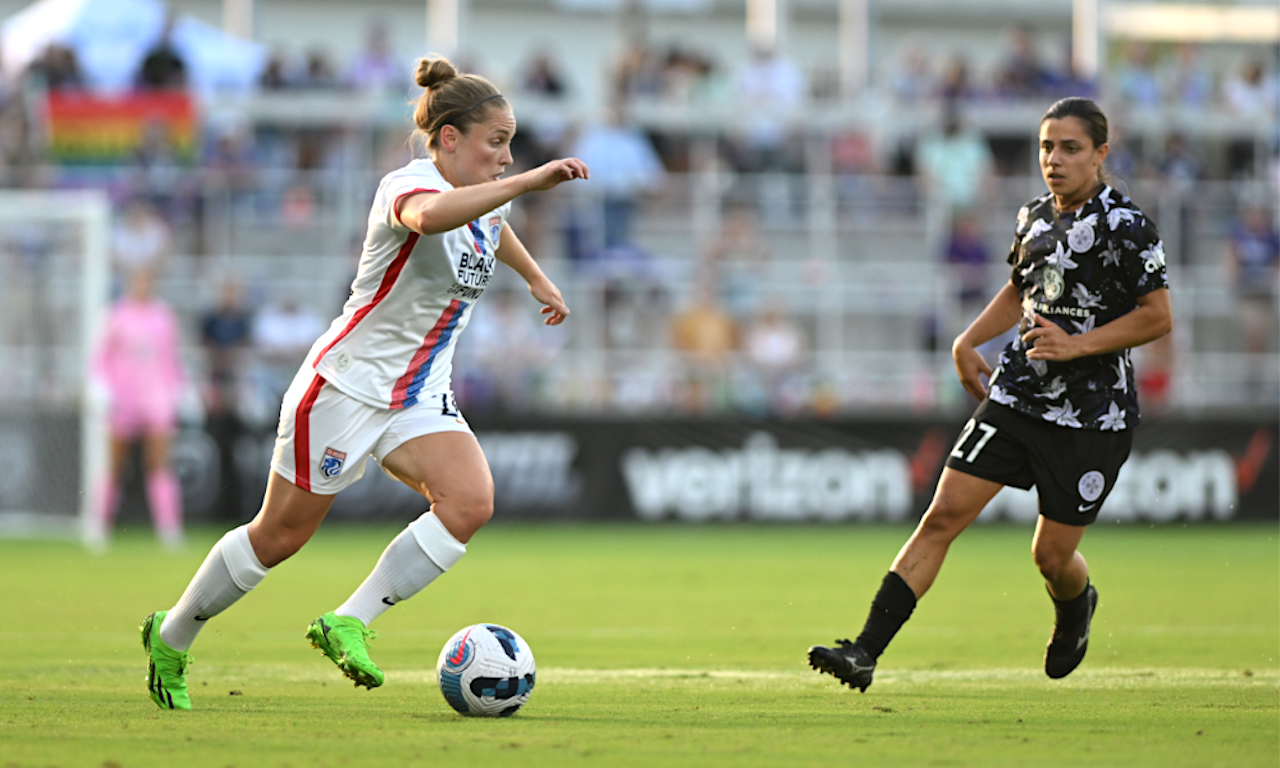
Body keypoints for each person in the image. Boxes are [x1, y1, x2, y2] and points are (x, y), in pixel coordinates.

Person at [139, 54, 589, 710]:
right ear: (448, 139)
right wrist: (526, 183)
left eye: (512, 145)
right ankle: (172, 634)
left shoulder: (484, 198)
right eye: (497, 142)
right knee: (279, 537)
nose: (506, 156)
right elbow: (434, 219)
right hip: (346, 386)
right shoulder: (403, 186)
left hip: (418, 392)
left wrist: (535, 277)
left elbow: (492, 225)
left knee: (469, 503)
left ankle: (348, 620)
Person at [809, 97, 1172, 690]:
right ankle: (865, 651)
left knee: (1051, 557)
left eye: (1070, 148)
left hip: (1091, 415)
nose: (1054, 160)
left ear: (1101, 154)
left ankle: (1076, 606)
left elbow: (1158, 317)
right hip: (1018, 395)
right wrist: (968, 339)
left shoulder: (1128, 227)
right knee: (942, 515)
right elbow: (1017, 287)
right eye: (1046, 147)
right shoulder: (1032, 216)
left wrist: (1078, 346)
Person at [90, 268, 186, 548]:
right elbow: (100, 358)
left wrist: (181, 389)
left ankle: (169, 529)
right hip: (123, 399)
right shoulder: (115, 315)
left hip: (157, 399)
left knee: (159, 464)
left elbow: (172, 358)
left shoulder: (164, 316)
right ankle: (99, 527)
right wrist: (101, 388)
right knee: (115, 465)